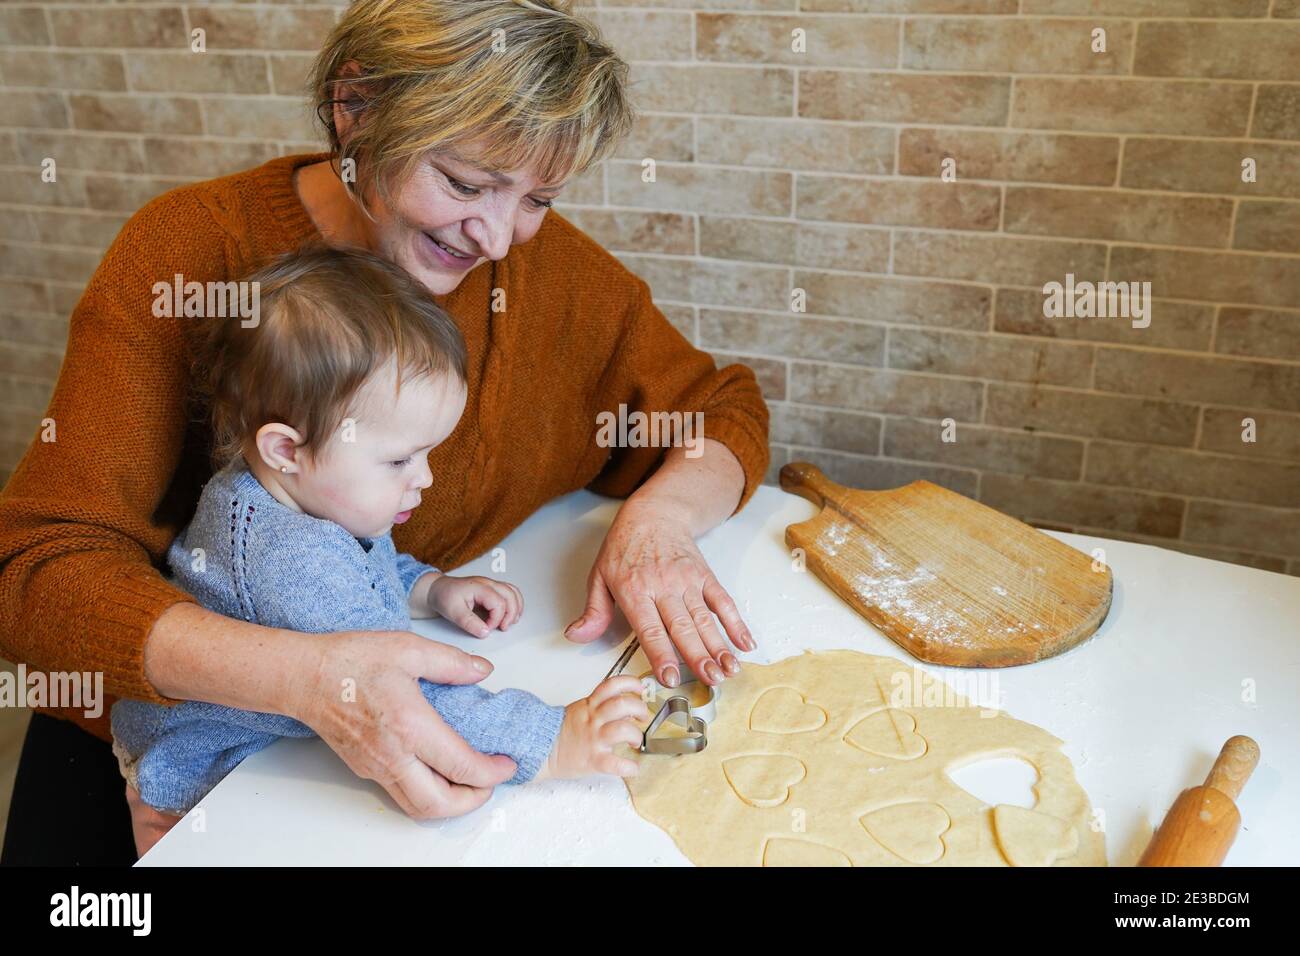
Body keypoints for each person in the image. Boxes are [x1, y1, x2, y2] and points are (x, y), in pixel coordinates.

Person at [0, 0, 768, 865]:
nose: (498, 237)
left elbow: (722, 412)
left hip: (371, 761)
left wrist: (661, 521)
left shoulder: (550, 277)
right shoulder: (188, 254)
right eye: (466, 183)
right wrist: (307, 681)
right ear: (353, 108)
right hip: (164, 758)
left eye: (538, 197)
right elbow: (36, 574)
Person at [113, 245, 650, 858]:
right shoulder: (288, 564)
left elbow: (364, 562)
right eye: (399, 460)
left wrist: (428, 589)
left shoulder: (283, 491)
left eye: (425, 453)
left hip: (260, 745)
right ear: (286, 449)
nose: (423, 479)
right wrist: (555, 740)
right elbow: (408, 702)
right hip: (203, 783)